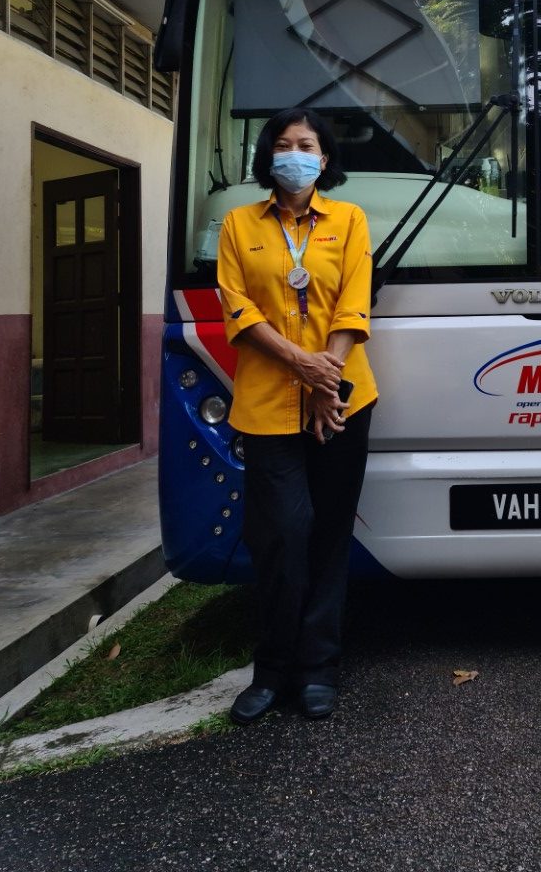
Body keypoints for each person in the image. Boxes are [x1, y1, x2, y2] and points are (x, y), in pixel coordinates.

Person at [217, 107, 377, 724]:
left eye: (305, 145)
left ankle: (318, 670)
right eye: (283, 145)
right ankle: (272, 670)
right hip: (265, 405)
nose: (294, 154)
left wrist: (325, 378)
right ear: (269, 156)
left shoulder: (350, 220)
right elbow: (237, 307)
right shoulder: (238, 224)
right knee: (280, 535)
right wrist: (302, 368)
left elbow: (354, 304)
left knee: (331, 534)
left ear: (324, 159)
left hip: (343, 400)